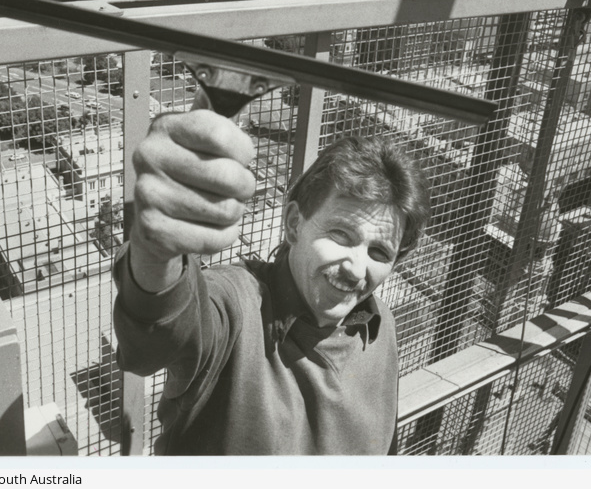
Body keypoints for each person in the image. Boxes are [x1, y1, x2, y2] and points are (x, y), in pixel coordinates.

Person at [112, 109, 431, 455]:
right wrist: (156, 247)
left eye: (380, 253)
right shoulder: (235, 308)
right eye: (340, 234)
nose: (357, 269)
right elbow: (157, 332)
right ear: (294, 223)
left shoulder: (381, 327)